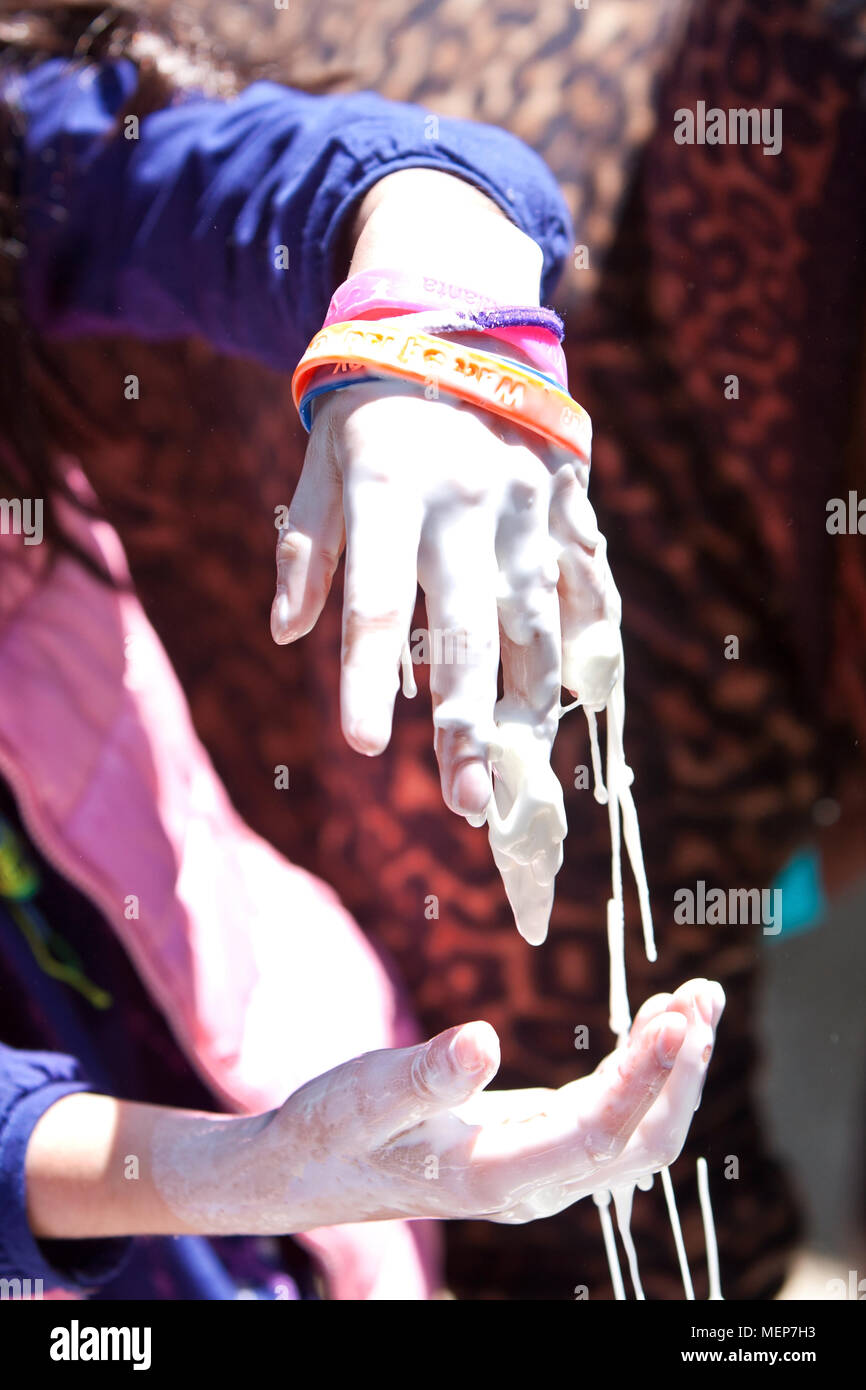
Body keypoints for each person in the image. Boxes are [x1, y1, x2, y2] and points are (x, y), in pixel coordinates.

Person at [0, 5, 723, 1300]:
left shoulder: (27, 158)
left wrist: (428, 332)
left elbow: (330, 168)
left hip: (304, 1103)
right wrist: (240, 1169)